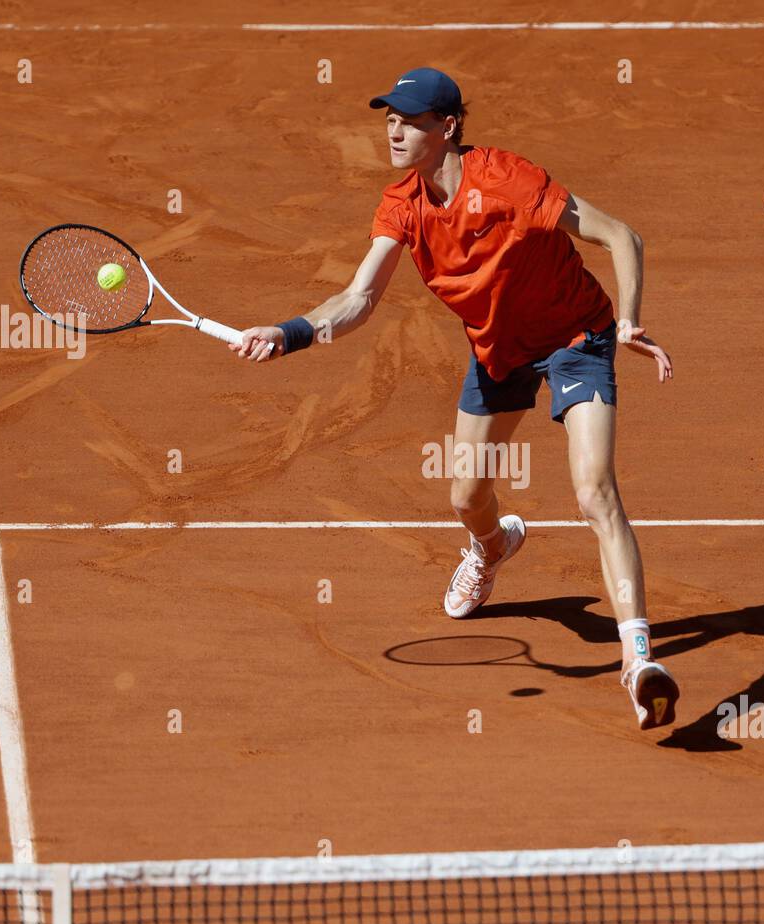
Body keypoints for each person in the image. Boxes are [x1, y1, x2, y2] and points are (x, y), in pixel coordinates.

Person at [232, 68, 679, 729]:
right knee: (465, 496)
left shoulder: (509, 179)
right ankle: (491, 547)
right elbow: (358, 299)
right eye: (388, 117)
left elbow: (621, 236)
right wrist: (290, 332)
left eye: (409, 120)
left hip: (574, 337)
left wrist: (628, 319)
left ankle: (637, 660)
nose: (393, 129)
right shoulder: (401, 205)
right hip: (498, 350)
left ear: (448, 128)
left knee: (593, 490)